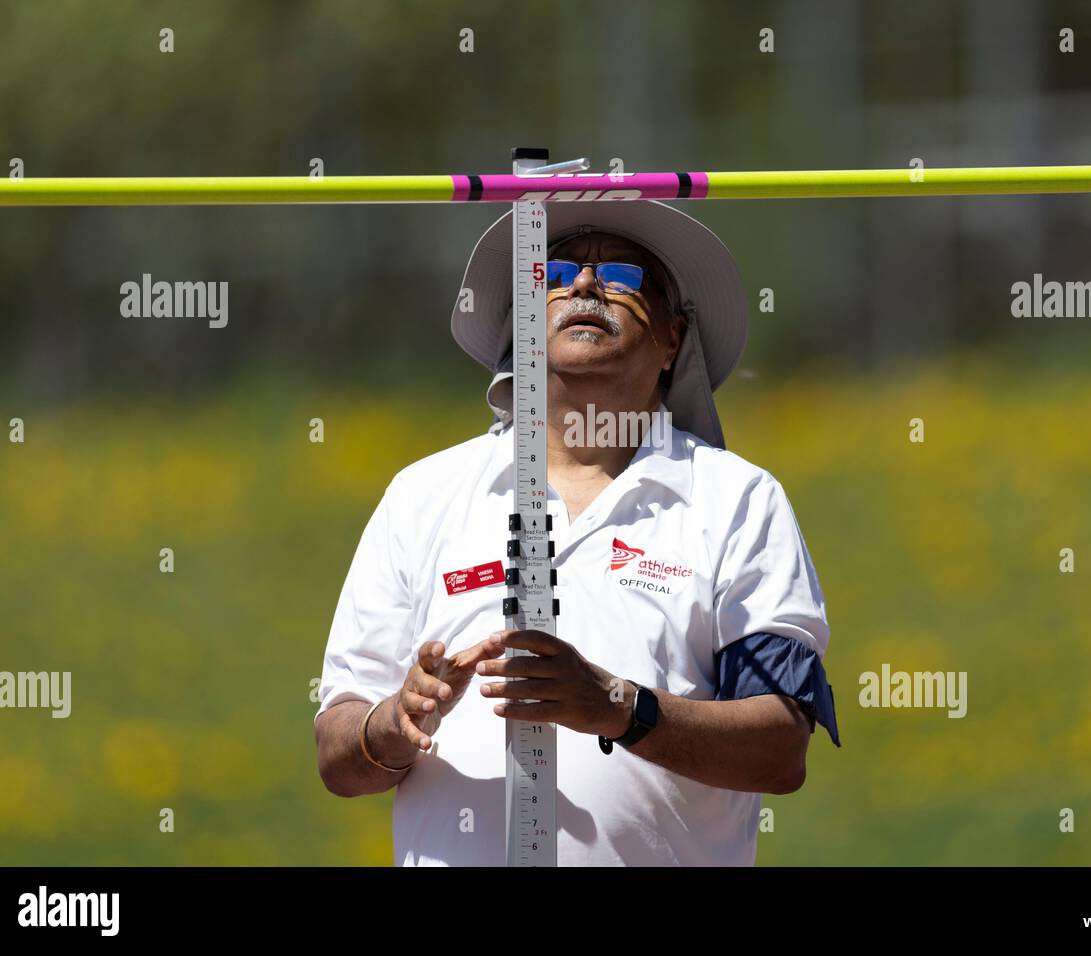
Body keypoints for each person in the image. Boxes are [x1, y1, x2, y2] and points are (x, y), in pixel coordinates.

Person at [314, 199, 839, 866]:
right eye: (552, 272)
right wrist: (392, 725)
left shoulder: (736, 498)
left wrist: (620, 708)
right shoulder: (423, 494)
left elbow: (780, 749)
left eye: (622, 273)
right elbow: (338, 756)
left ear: (673, 337)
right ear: (521, 328)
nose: (583, 285)